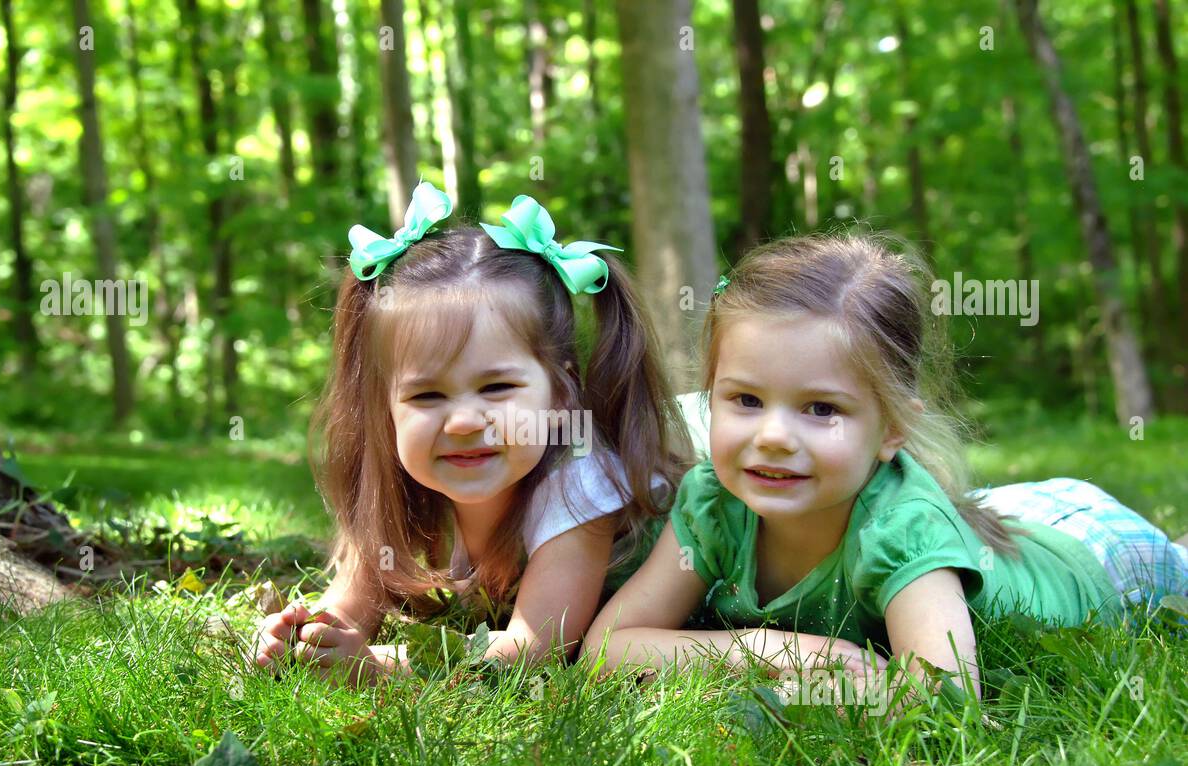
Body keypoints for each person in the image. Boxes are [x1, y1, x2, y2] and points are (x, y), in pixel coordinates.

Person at [581, 232, 1188, 700]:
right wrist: (765, 648)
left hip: (1105, 556)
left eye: (821, 408)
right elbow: (607, 649)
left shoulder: (899, 529)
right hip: (1011, 523)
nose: (771, 437)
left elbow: (947, 696)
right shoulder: (713, 498)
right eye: (745, 400)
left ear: (892, 428)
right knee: (981, 518)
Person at [254, 183, 691, 684]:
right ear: (385, 408)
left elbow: (535, 648)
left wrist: (380, 665)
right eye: (427, 396)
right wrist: (301, 635)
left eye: (497, 387)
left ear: (562, 393)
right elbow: (349, 609)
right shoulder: (397, 487)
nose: (463, 422)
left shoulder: (579, 483)